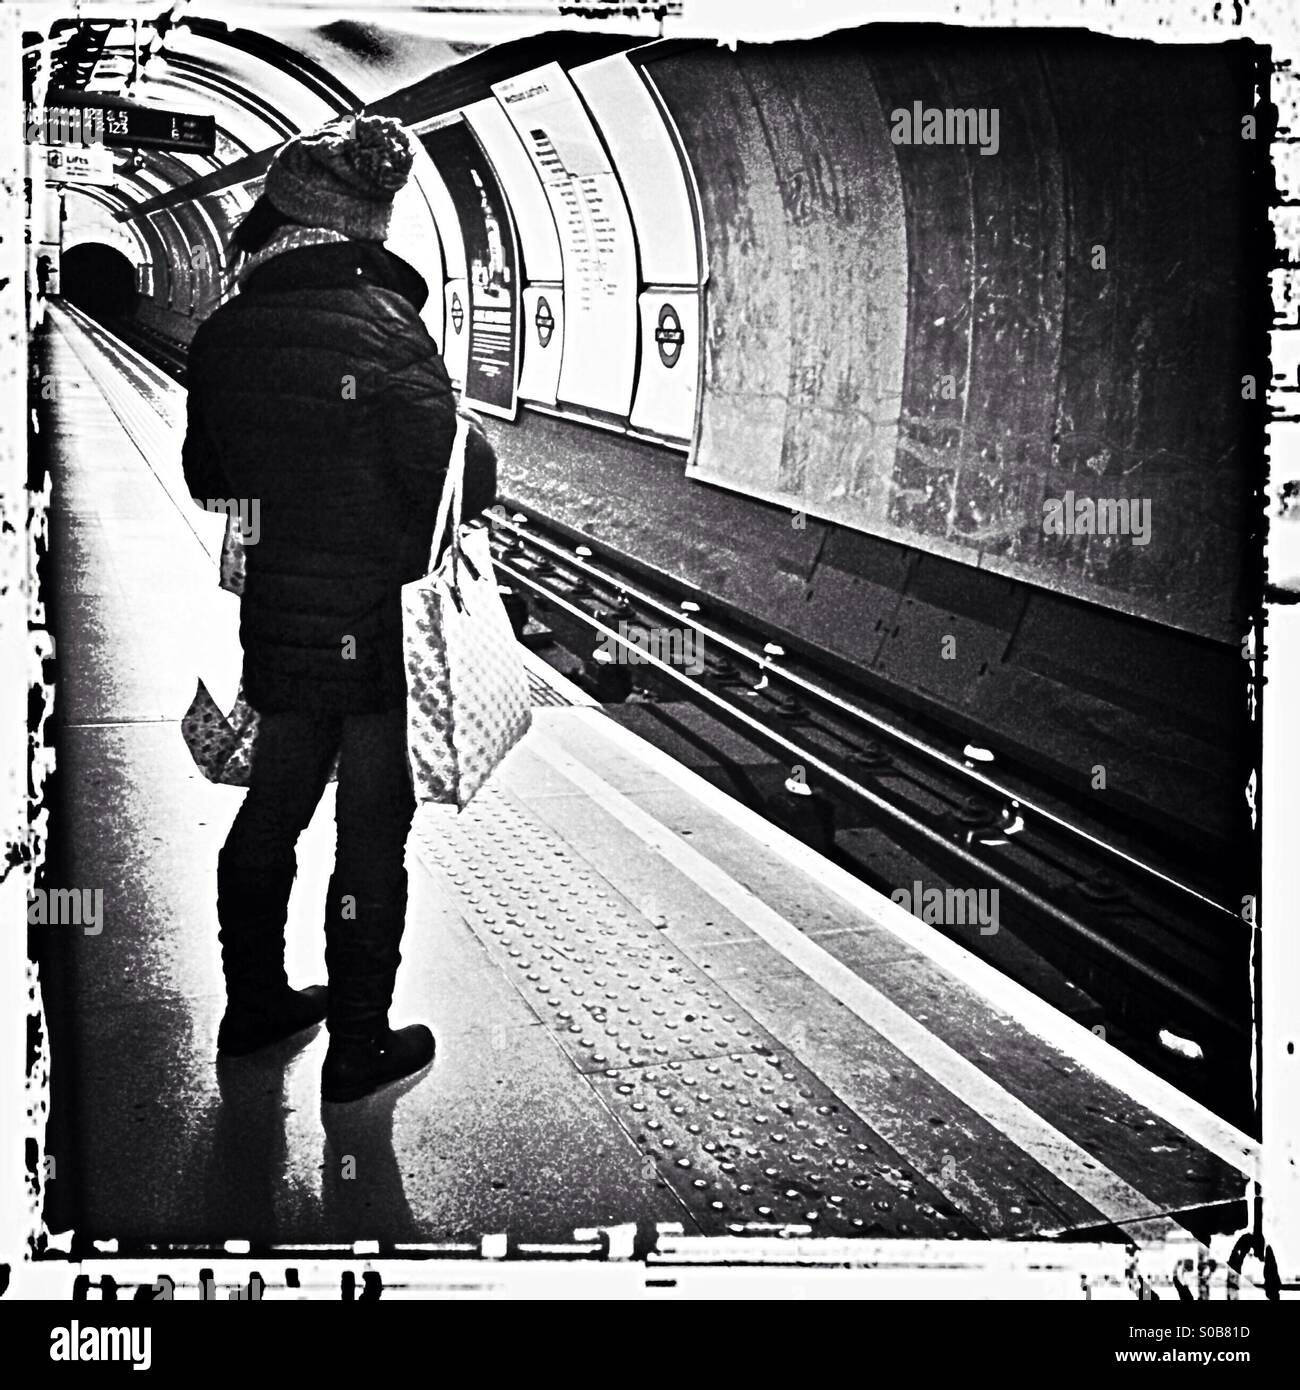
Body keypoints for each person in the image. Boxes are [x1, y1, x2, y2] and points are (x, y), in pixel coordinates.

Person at [181, 115, 498, 1103]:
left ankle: (255, 1003)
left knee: (270, 812)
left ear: (278, 218)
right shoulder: (387, 329)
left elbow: (207, 475)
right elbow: (456, 478)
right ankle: (357, 1044)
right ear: (369, 224)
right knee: (370, 836)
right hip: (382, 629)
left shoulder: (229, 330)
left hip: (281, 618)